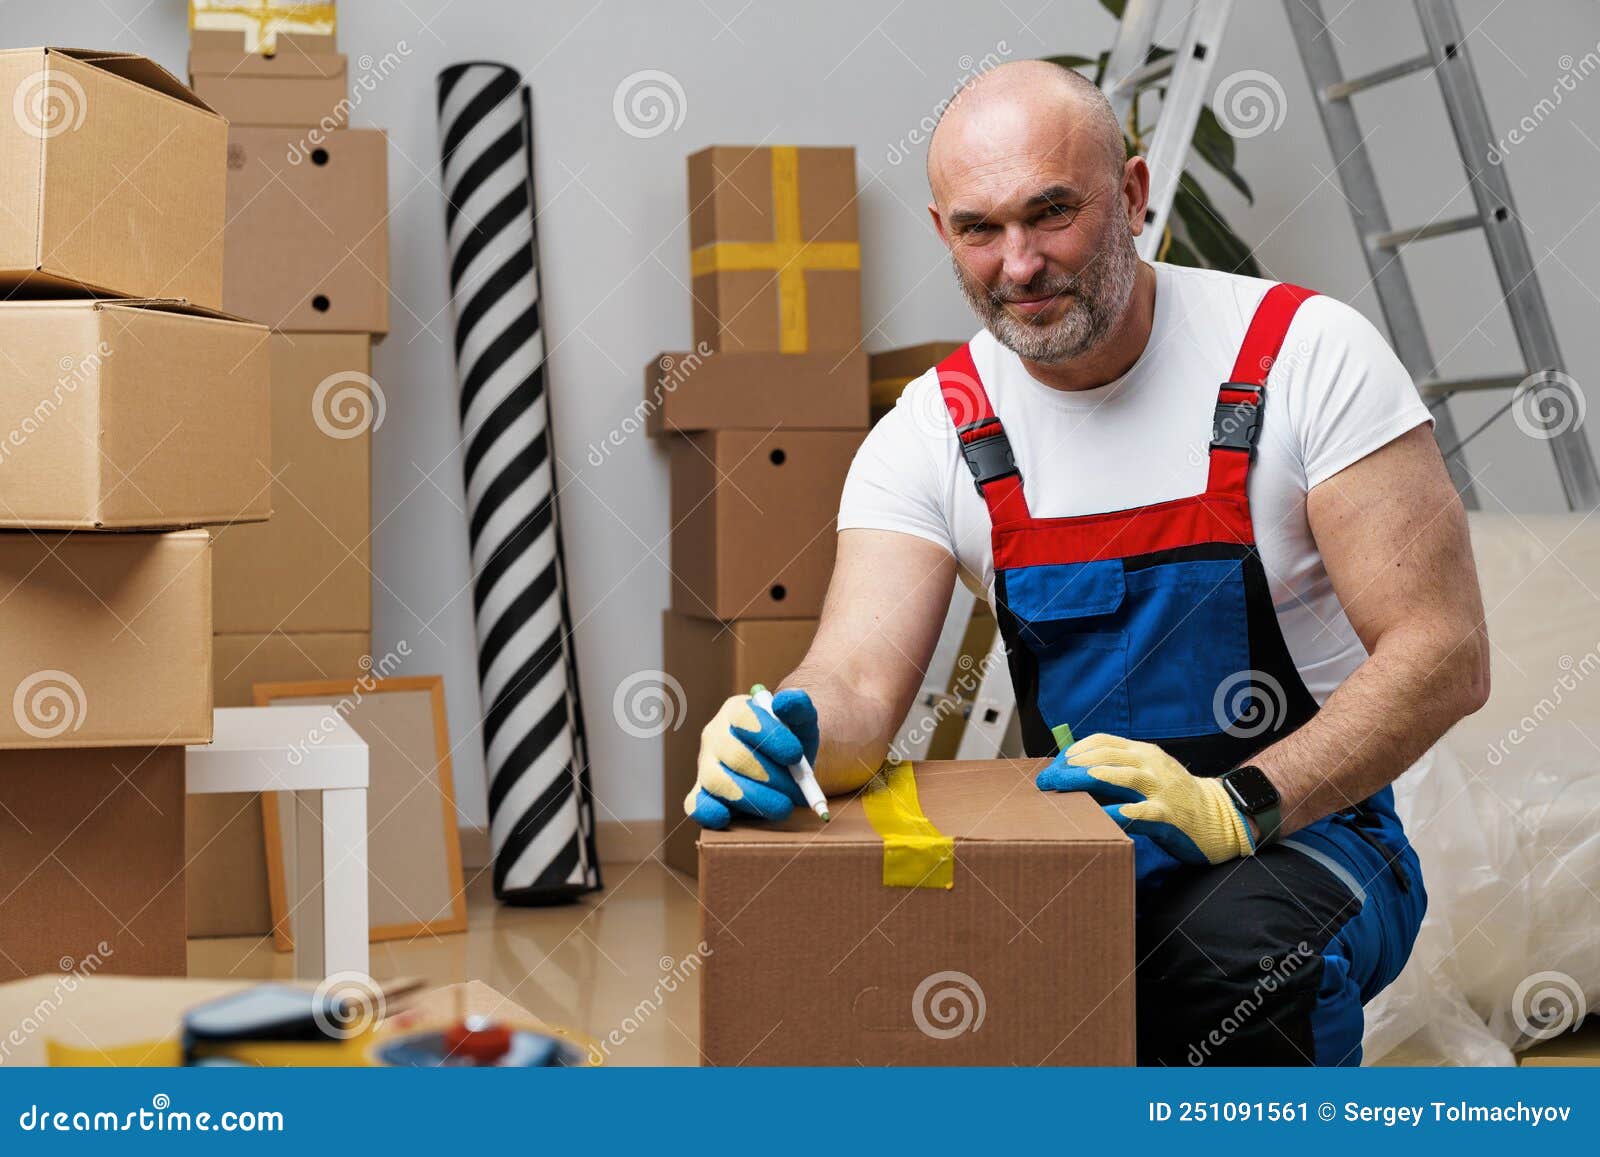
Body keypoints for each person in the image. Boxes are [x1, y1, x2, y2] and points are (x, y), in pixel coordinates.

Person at [682, 60, 1489, 1065]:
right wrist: (784, 733)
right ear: (945, 235)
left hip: (1309, 830)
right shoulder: (935, 427)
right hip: (1081, 842)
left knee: (1231, 955)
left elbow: (1442, 650)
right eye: (980, 229)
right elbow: (851, 680)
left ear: (1136, 196)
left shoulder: (1303, 355)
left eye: (1051, 213)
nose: (1018, 264)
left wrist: (1233, 802)